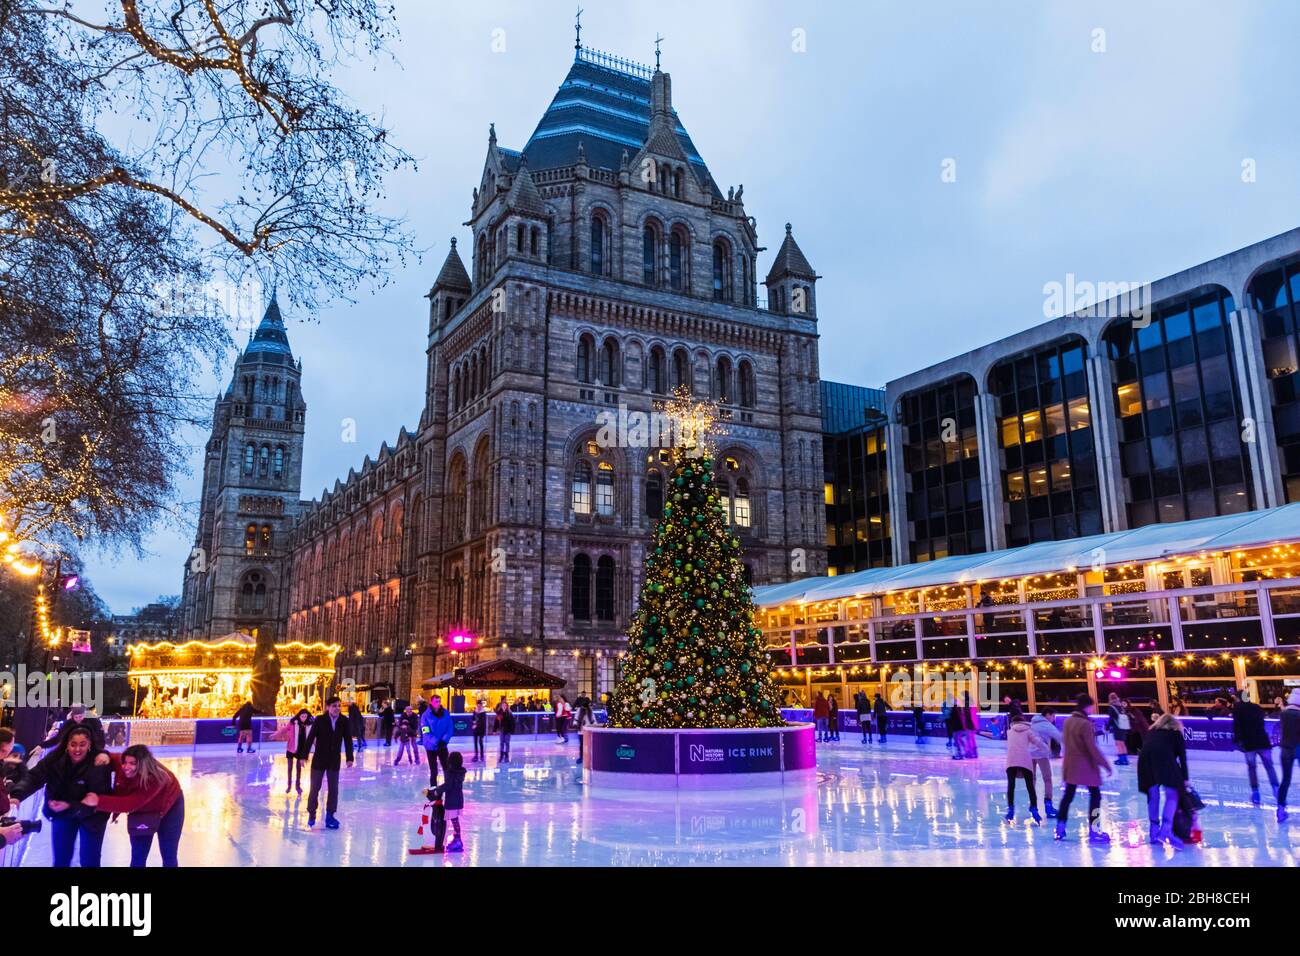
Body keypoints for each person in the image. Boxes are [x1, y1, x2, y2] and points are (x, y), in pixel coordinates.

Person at [8, 726, 112, 866]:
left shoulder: (98, 763)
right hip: (62, 813)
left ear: (90, 745)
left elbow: (97, 797)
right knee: (61, 858)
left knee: (90, 859)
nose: (77, 749)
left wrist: (70, 805)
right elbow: (35, 777)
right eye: (73, 744)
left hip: (93, 816)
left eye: (82, 744)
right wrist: (17, 795)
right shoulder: (55, 758)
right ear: (67, 744)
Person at [82, 745, 184, 867]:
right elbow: (111, 756)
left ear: (143, 765)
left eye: (132, 763)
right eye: (125, 762)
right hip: (141, 811)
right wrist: (105, 755)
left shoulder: (156, 779)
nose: (126, 767)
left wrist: (98, 801)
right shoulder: (121, 763)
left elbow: (130, 803)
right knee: (138, 855)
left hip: (170, 809)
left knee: (169, 853)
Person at [1055, 694, 1112, 844]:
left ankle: (1060, 827)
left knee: (1068, 797)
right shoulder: (1085, 724)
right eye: (1092, 706)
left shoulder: (1068, 722)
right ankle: (1094, 830)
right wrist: (1105, 765)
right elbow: (1091, 748)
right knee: (1095, 796)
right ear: (1087, 706)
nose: (1093, 708)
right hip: (1086, 767)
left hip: (1070, 765)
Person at [1137, 713, 1190, 848]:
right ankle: (1165, 830)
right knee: (1172, 794)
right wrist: (1185, 779)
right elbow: (1182, 758)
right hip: (1164, 759)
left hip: (1144, 761)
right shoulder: (1175, 733)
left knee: (1153, 794)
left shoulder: (1152, 732)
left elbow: (1148, 749)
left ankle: (1154, 831)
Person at [304, 696, 354, 830]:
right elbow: (310, 738)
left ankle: (330, 815)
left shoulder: (344, 721)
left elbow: (348, 739)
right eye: (334, 706)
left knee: (334, 789)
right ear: (327, 707)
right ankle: (312, 813)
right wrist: (304, 755)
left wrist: (350, 757)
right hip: (319, 760)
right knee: (315, 788)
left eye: (339, 706)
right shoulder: (319, 720)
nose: (337, 708)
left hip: (334, 761)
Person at [1231, 689, 1279, 806]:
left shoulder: (1237, 709)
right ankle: (1276, 789)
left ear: (1239, 698)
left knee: (1252, 768)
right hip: (1263, 741)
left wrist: (1237, 741)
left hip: (1249, 744)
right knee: (1269, 766)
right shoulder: (1257, 707)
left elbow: (1237, 727)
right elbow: (1261, 723)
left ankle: (1256, 793)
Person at [1004, 714, 1044, 824]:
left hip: (1011, 761)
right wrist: (1046, 749)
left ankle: (1011, 809)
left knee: (1011, 786)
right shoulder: (1028, 731)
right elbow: (1037, 742)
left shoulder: (1009, 732)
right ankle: (1034, 808)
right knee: (1030, 786)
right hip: (1025, 760)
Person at [1028, 709, 1064, 817]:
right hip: (1040, 753)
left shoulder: (1032, 723)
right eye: (1053, 716)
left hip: (1029, 753)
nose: (1053, 719)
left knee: (1032, 779)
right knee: (1047, 779)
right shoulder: (1046, 725)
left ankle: (1033, 804)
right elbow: (1059, 736)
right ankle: (1048, 806)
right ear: (1048, 715)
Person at [431, 750, 467, 853]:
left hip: (452, 800)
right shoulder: (460, 773)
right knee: (455, 820)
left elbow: (448, 785)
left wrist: (437, 790)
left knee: (454, 820)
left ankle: (458, 840)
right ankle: (457, 838)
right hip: (459, 799)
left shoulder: (451, 773)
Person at [273, 709, 313, 794]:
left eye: (305, 716)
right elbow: (284, 729)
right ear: (299, 716)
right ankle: (289, 785)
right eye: (302, 716)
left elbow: (313, 738)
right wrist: (275, 734)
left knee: (299, 768)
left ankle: (298, 786)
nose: (304, 718)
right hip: (291, 748)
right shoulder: (293, 723)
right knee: (289, 768)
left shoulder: (309, 725)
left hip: (301, 750)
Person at [41, 704, 107, 751]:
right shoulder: (69, 723)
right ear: (72, 716)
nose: (78, 719)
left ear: (84, 714)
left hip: (91, 749)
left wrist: (99, 752)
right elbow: (58, 738)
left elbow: (100, 738)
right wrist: (41, 746)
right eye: (76, 717)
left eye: (80, 716)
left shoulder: (94, 721)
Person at [420, 694, 454, 786]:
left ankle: (448, 790)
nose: (438, 703)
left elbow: (450, 728)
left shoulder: (446, 713)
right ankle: (433, 792)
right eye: (436, 701)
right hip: (431, 747)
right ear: (431, 702)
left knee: (446, 768)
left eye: (439, 701)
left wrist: (444, 741)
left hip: (443, 745)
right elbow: (425, 731)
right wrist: (436, 742)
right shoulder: (425, 716)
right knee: (433, 771)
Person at [1277, 689, 1300, 823]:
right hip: (1298, 748)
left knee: (1285, 780)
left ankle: (1280, 809)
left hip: (1285, 749)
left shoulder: (1284, 713)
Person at [1105, 693, 1130, 765]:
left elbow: (1111, 719)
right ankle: (1125, 759)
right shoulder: (1120, 706)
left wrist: (1107, 727)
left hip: (1117, 727)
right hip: (1123, 727)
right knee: (1122, 743)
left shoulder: (1112, 707)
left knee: (1118, 743)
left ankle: (1122, 759)